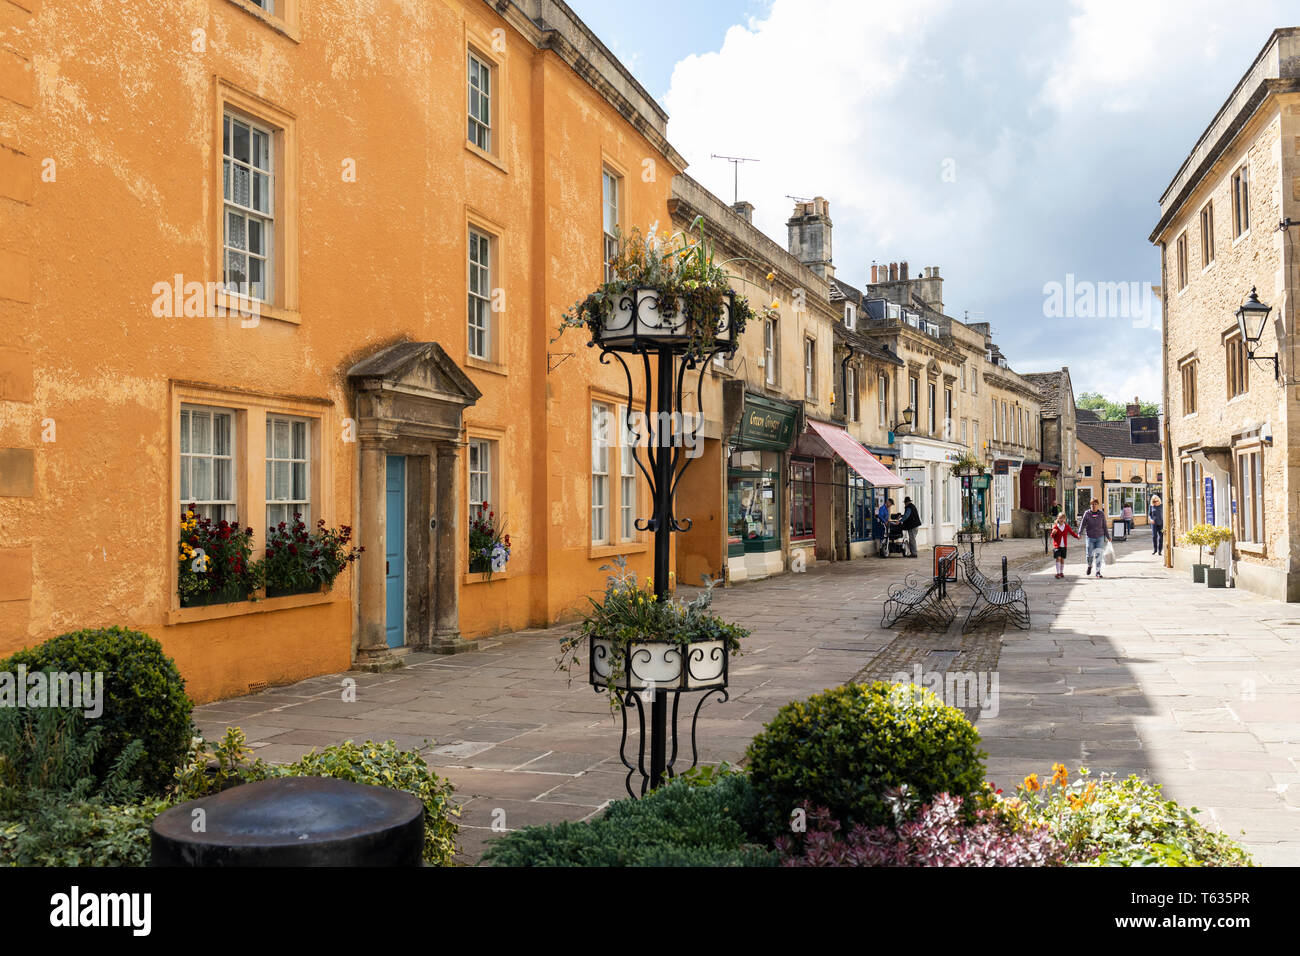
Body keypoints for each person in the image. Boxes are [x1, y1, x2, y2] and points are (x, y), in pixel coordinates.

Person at [1078, 497, 1111, 578]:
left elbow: (1104, 526)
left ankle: (1098, 572)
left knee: (1099, 554)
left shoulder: (1101, 514)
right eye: (1092, 504)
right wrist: (1079, 533)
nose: (1093, 505)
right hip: (1090, 537)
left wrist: (1108, 536)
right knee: (1089, 554)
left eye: (1095, 504)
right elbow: (1082, 524)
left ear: (1098, 505)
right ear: (1090, 505)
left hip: (1100, 537)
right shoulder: (1087, 513)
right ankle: (1089, 566)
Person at [1050, 511, 1079, 579]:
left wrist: (1077, 537)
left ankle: (1061, 572)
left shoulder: (1066, 526)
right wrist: (1053, 533)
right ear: (1058, 519)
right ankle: (1057, 573)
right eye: (1060, 518)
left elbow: (1072, 533)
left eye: (1063, 518)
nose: (1061, 519)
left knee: (1062, 559)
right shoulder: (1055, 527)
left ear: (1065, 519)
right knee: (1058, 558)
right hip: (1057, 545)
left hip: (1064, 546)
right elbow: (1052, 536)